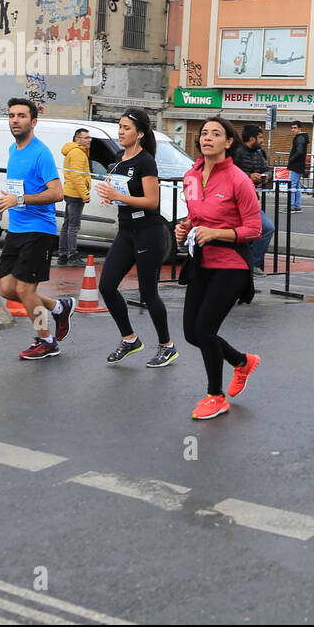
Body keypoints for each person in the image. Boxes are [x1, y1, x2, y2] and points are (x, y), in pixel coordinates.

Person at [174, 116, 264, 420]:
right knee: (191, 333)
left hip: (232, 264)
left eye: (215, 133)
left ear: (228, 142)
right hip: (201, 261)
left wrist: (217, 234)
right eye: (203, 133)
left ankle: (215, 395)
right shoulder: (191, 175)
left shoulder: (238, 179)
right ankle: (242, 361)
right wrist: (186, 226)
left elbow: (255, 228)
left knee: (205, 329)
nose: (207, 138)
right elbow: (197, 214)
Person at [0, 98, 73, 360]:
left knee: (25, 290)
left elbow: (57, 193)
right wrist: (6, 203)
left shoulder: (41, 153)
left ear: (33, 122)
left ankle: (46, 341)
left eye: (21, 116)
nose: (15, 120)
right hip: (16, 228)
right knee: (6, 289)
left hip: (39, 230)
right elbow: (18, 189)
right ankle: (59, 307)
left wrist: (20, 200)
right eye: (12, 115)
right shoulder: (13, 150)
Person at [95, 109, 176, 368]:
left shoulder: (146, 161)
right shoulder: (119, 160)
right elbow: (121, 191)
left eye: (126, 128)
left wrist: (120, 197)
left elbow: (152, 202)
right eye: (119, 127)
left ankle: (167, 346)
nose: (120, 132)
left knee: (147, 292)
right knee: (107, 286)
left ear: (140, 133)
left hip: (148, 232)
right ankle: (129, 339)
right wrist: (110, 195)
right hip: (126, 231)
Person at [235, 125, 276, 276]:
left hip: (252, 200)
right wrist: (249, 176)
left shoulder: (259, 152)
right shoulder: (237, 152)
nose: (263, 140)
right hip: (236, 201)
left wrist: (265, 177)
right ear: (252, 138)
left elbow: (267, 169)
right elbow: (231, 171)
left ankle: (253, 263)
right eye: (260, 137)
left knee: (267, 228)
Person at [58, 128, 91, 266]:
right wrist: (85, 194)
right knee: (73, 226)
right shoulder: (78, 152)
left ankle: (63, 255)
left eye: (90, 138)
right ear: (78, 139)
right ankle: (72, 255)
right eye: (86, 137)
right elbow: (77, 176)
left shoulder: (74, 151)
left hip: (70, 192)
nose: (89, 140)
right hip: (76, 194)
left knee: (67, 225)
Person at [287, 120, 309, 212]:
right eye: (292, 128)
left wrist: (291, 159)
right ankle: (297, 205)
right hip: (299, 165)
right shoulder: (302, 137)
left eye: (295, 128)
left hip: (296, 165)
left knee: (292, 185)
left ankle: (291, 206)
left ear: (300, 128)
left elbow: (299, 151)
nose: (293, 130)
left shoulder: (300, 138)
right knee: (297, 186)